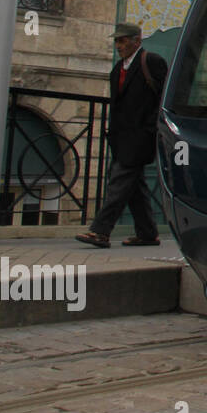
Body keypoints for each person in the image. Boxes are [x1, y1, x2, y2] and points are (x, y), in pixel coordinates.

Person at [76, 23, 169, 247]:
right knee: (133, 186)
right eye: (117, 41)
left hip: (141, 137)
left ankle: (100, 231)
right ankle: (147, 233)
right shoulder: (117, 69)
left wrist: (152, 127)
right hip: (121, 137)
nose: (119, 45)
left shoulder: (151, 62)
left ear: (137, 40)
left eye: (123, 40)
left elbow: (164, 96)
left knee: (118, 182)